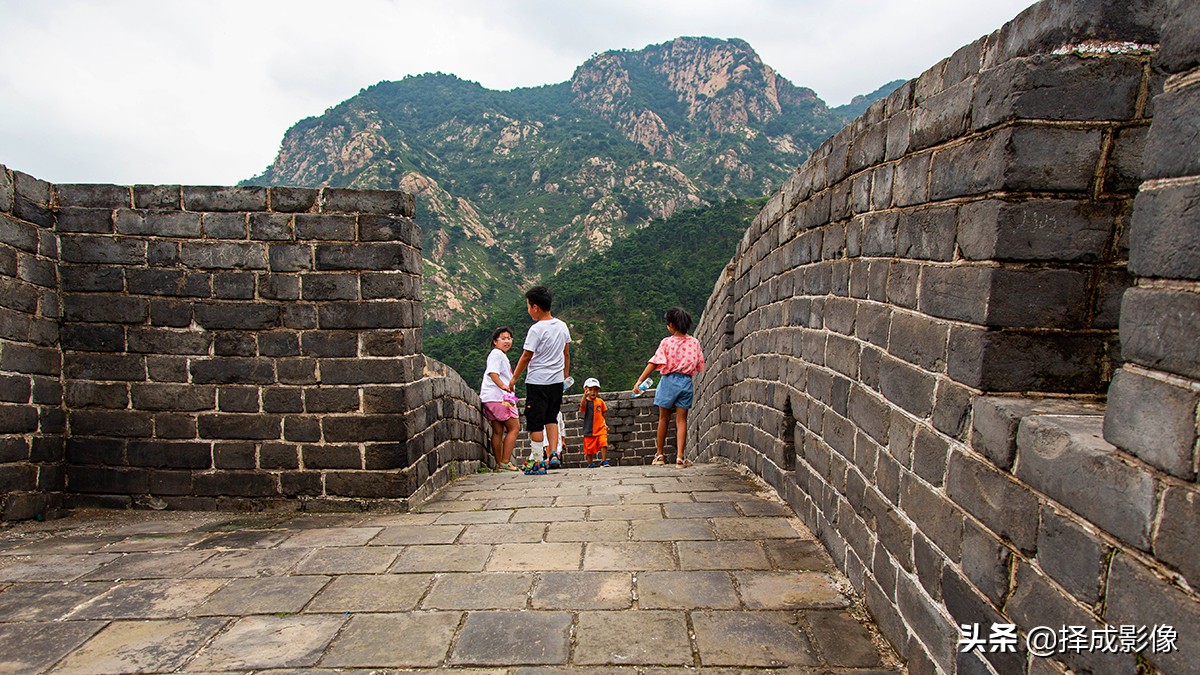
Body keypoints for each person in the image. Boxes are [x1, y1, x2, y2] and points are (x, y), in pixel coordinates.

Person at [507, 286, 571, 475]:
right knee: (552, 417)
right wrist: (564, 376)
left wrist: (514, 379)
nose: (528, 310)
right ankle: (552, 454)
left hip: (537, 382)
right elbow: (566, 354)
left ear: (535, 307)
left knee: (535, 421)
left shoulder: (536, 329)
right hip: (556, 381)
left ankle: (538, 461)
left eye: (528, 306)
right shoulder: (562, 326)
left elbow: (526, 356)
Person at [633, 307, 705, 467]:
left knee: (663, 418)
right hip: (686, 382)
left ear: (671, 325)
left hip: (668, 382)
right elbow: (700, 365)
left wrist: (639, 381)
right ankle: (680, 457)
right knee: (681, 421)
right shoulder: (694, 342)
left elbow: (654, 362)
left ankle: (659, 455)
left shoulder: (666, 342)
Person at [480, 326, 520, 471]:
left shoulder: (498, 354)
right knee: (514, 428)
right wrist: (503, 386)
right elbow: (493, 373)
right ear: (495, 342)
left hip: (489, 398)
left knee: (498, 431)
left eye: (509, 338)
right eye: (503, 338)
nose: (507, 341)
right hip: (499, 398)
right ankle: (505, 461)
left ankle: (499, 465)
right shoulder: (497, 354)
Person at [579, 377, 609, 467]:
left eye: (595, 390)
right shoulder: (586, 402)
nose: (593, 392)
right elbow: (582, 406)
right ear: (586, 390)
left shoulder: (600, 402)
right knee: (589, 448)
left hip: (600, 428)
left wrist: (605, 423)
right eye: (590, 390)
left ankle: (604, 460)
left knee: (604, 442)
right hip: (589, 429)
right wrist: (584, 396)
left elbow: (603, 414)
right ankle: (590, 463)